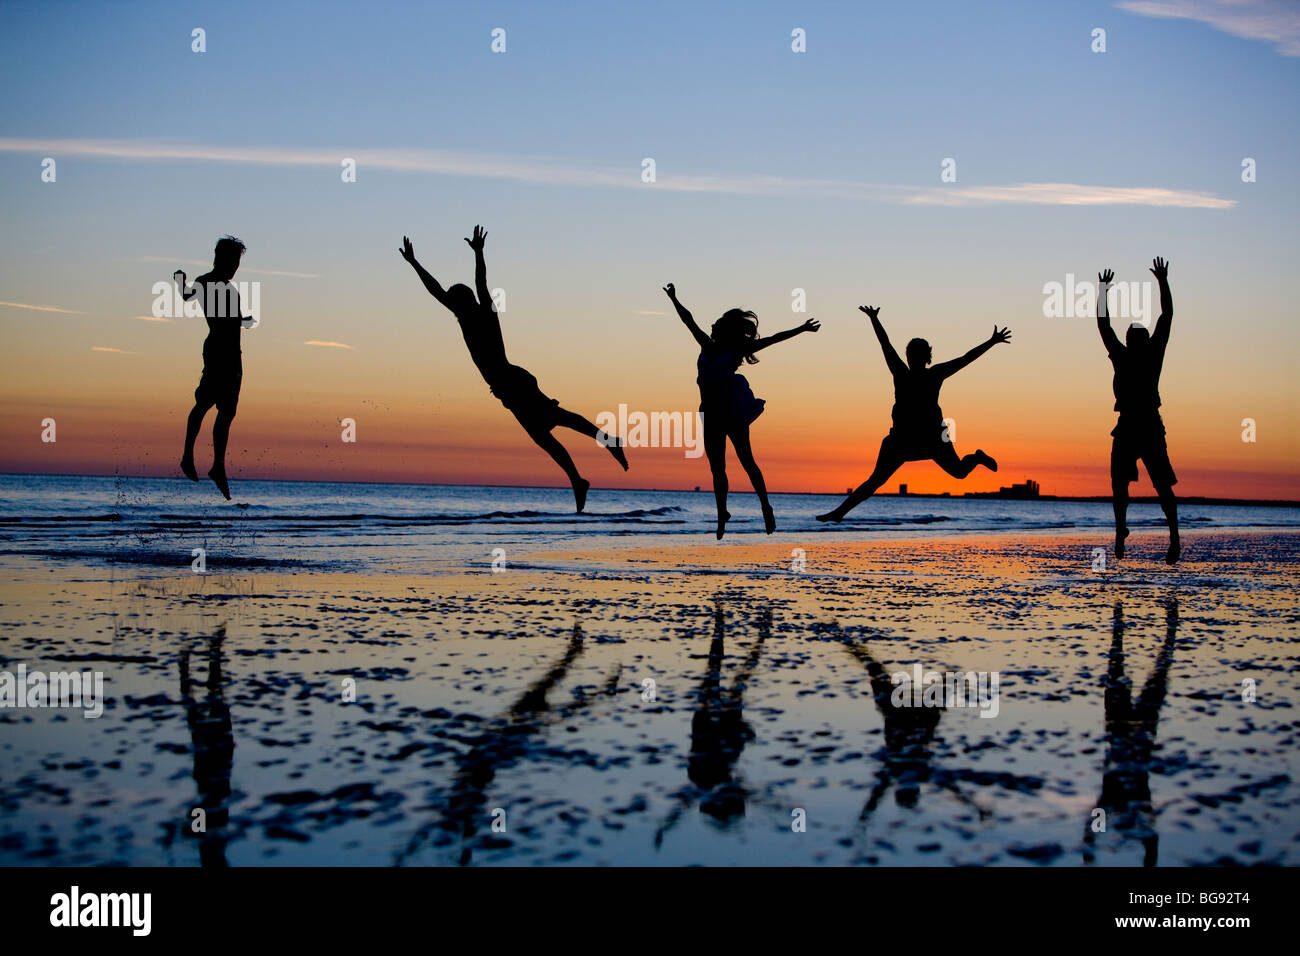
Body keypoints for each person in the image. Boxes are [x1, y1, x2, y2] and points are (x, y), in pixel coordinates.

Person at [400, 228, 627, 512]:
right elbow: (437, 290)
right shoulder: (466, 317)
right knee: (547, 431)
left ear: (463, 301)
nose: (450, 304)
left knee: (553, 424)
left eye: (454, 300)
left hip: (512, 382)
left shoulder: (484, 312)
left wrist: (479, 254)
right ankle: (581, 476)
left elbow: (479, 283)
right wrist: (414, 263)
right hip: (509, 385)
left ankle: (602, 451)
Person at [817, 307, 1009, 522]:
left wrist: (991, 342)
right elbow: (886, 345)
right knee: (876, 480)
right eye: (909, 354)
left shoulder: (933, 373)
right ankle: (838, 513)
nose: (911, 358)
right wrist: (874, 320)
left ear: (925, 358)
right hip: (902, 438)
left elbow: (965, 359)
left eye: (915, 355)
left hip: (933, 437)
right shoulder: (901, 372)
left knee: (959, 473)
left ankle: (976, 457)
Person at [663, 282, 819, 539]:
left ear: (725, 329)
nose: (711, 326)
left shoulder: (738, 349)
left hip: (731, 411)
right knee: (716, 467)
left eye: (716, 324)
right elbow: (687, 319)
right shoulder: (706, 344)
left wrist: (801, 329)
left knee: (747, 461)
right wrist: (674, 298)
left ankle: (765, 506)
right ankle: (722, 514)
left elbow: (772, 339)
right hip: (709, 412)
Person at [1097, 259, 1179, 564]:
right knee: (1120, 481)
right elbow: (1104, 325)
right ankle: (1122, 528)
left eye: (1136, 335)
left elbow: (1166, 316)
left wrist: (1162, 281)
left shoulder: (1147, 353)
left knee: (1161, 485)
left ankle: (1173, 537)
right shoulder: (1125, 354)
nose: (1134, 338)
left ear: (1138, 341)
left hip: (1147, 426)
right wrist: (1103, 290)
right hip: (1129, 426)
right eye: (1134, 336)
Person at [177, 236, 255, 500]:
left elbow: (235, 321)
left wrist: (245, 319)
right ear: (220, 258)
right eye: (233, 262)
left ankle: (215, 465)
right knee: (209, 406)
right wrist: (179, 280)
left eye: (237, 263)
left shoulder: (219, 286)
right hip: (222, 354)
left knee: (223, 411)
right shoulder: (215, 284)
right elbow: (190, 298)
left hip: (227, 354)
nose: (235, 267)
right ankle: (191, 457)